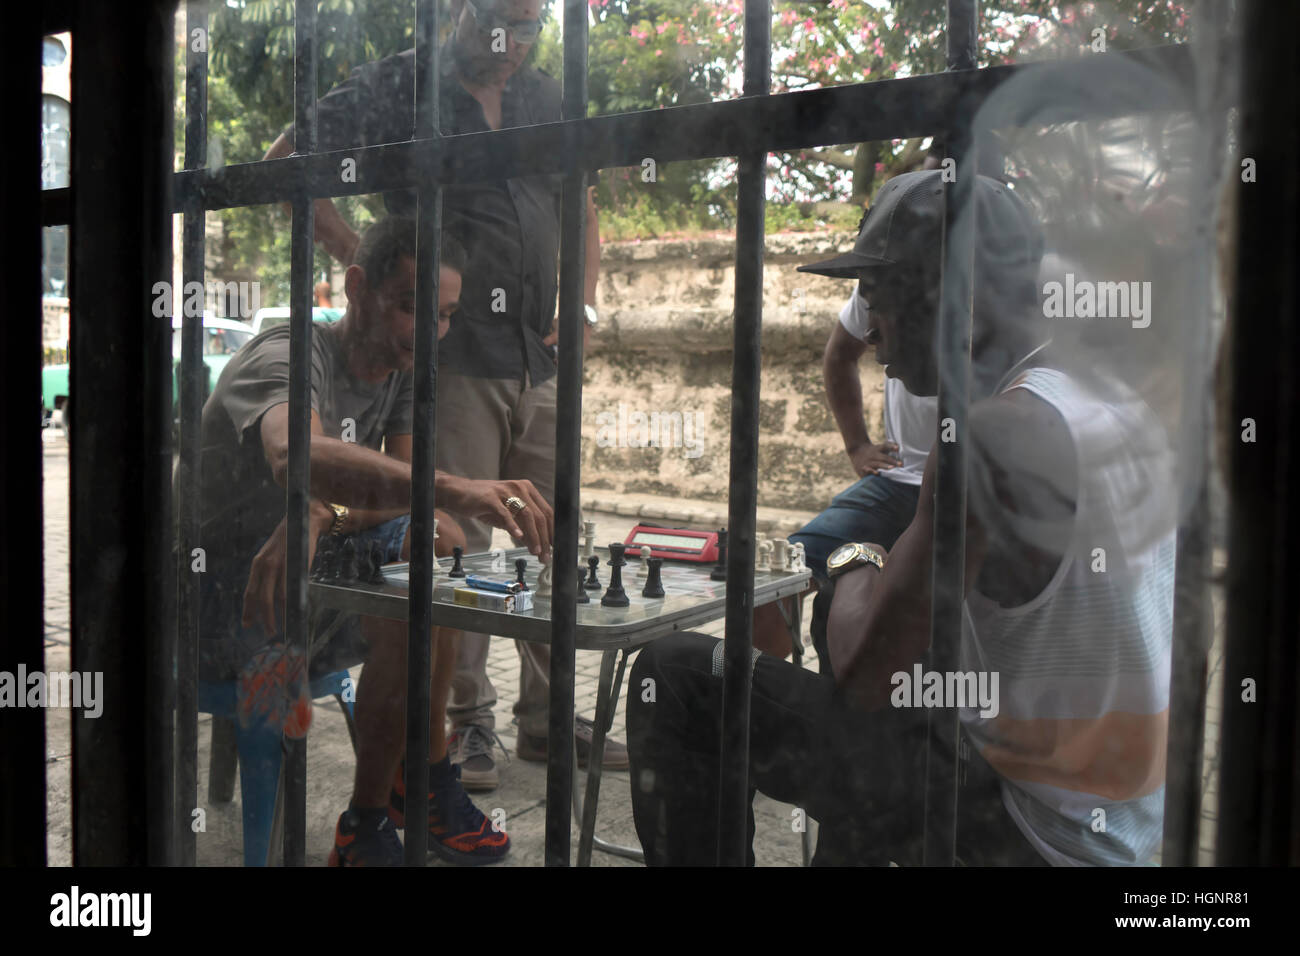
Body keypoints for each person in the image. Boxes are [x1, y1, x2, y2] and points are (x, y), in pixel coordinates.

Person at [626, 170, 1176, 867]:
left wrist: (857, 561)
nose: (874, 335)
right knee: (899, 699)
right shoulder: (1121, 405)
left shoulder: (992, 437)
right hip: (1122, 832)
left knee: (675, 673)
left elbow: (864, 672)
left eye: (879, 299)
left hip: (1025, 835)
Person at [262, 0, 623, 793]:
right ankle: (472, 725)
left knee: (547, 529)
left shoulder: (545, 97)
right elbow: (286, 160)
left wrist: (585, 302)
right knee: (461, 539)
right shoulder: (398, 86)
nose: (513, 43)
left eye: (529, 27)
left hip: (542, 354)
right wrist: (373, 255)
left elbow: (581, 202)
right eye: (500, 20)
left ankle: (548, 718)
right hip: (452, 358)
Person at [197, 216, 554, 866]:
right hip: (220, 604)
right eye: (411, 309)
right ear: (357, 287)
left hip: (310, 586)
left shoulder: (402, 368)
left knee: (432, 544)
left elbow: (405, 501)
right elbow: (293, 453)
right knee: (434, 524)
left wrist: (318, 514)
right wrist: (454, 487)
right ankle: (417, 786)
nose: (429, 333)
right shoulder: (286, 353)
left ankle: (382, 808)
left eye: (443, 316)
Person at [752, 286, 936, 661]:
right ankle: (760, 698)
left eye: (881, 308)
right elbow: (840, 353)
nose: (870, 335)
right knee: (774, 583)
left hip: (967, 496)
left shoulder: (988, 282)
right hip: (896, 483)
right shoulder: (876, 277)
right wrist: (857, 446)